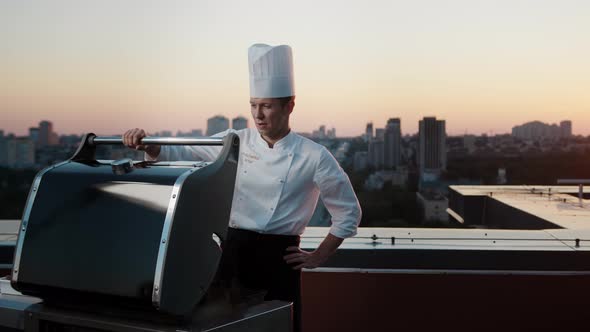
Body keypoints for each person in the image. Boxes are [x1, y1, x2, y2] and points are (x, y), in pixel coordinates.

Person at [123, 44, 361, 332]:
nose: (258, 115)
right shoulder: (235, 140)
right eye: (253, 105)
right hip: (230, 254)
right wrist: (149, 144)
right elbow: (184, 153)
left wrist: (318, 256)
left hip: (278, 260)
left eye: (267, 106)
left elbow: (348, 213)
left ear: (290, 106)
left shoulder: (314, 156)